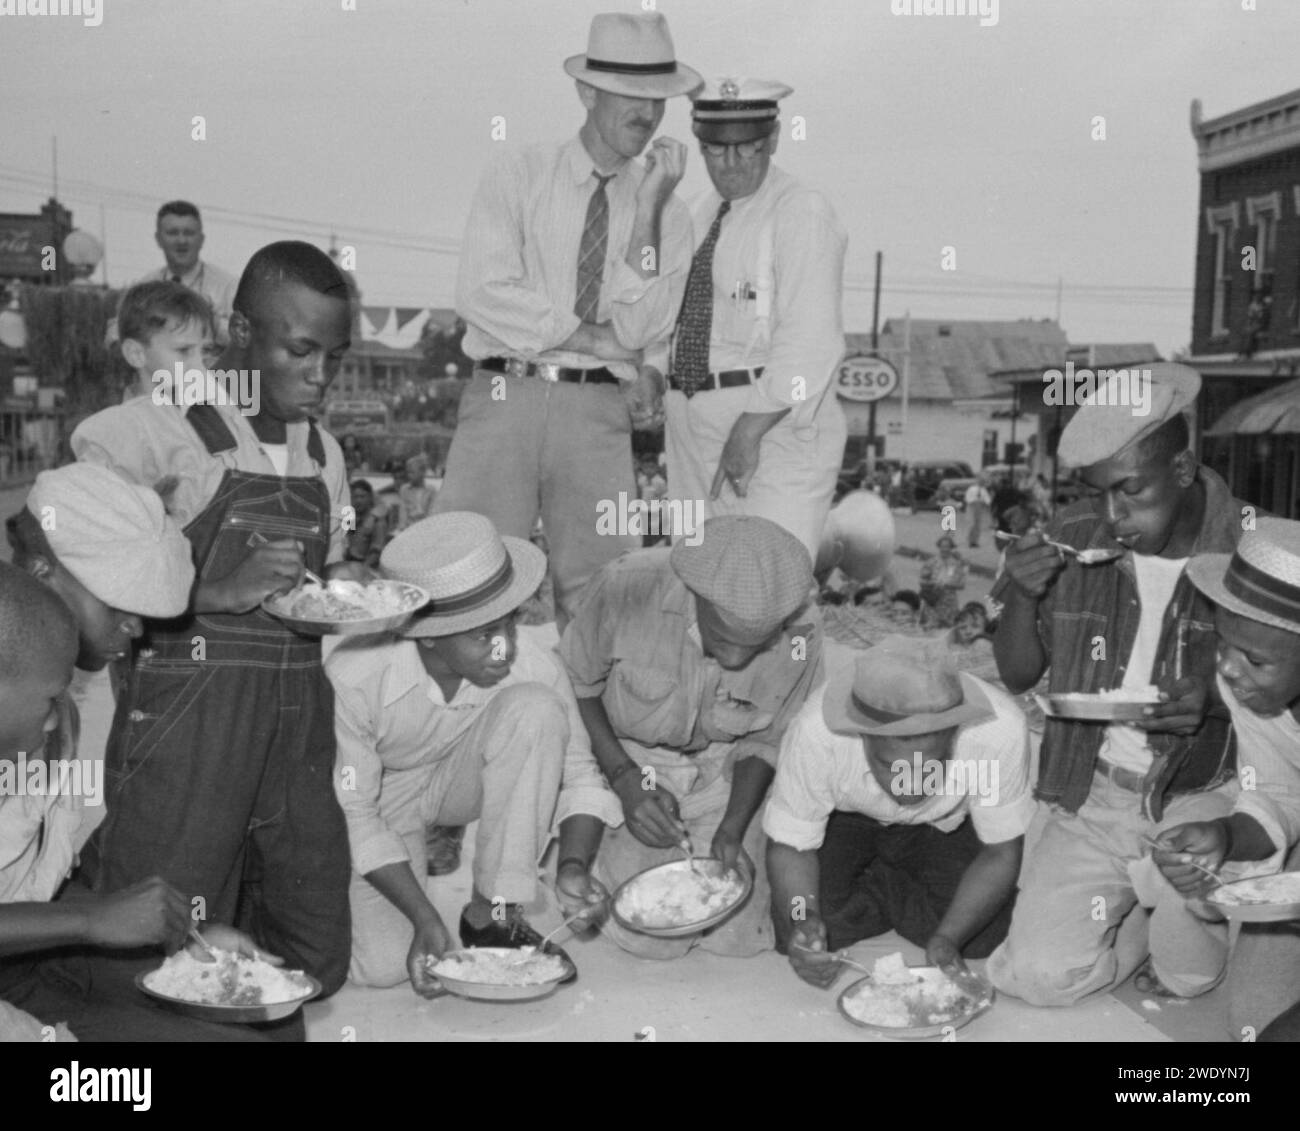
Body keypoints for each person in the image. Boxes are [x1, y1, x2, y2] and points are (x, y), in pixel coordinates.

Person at [70, 240, 361, 1004]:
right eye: (299, 350)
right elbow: (66, 550)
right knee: (155, 953)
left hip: (296, 727)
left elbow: (323, 579)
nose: (319, 375)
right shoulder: (163, 428)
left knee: (311, 947)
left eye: (334, 354)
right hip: (189, 728)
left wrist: (348, 586)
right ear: (238, 333)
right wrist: (212, 590)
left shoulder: (325, 453)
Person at [986, 362, 1246, 1006]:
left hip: (1202, 795)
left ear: (1182, 470)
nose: (1112, 515)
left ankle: (1176, 917)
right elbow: (1018, 673)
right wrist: (1022, 593)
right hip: (1092, 796)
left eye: (1129, 491)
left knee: (1189, 980)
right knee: (1039, 980)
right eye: (1098, 492)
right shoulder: (1076, 537)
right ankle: (1134, 915)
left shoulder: (1256, 550)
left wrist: (1215, 704)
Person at [434, 11, 698, 628]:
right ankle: (456, 719)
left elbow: (641, 329)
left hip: (595, 408)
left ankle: (593, 724)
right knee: (467, 577)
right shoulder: (518, 173)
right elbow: (483, 293)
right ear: (586, 91)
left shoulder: (671, 211)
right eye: (632, 95)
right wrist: (595, 339)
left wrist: (651, 206)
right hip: (505, 392)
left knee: (603, 590)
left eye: (660, 99)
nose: (649, 113)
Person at [327, 513, 621, 994]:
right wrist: (424, 917)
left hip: (462, 777)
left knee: (536, 709)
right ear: (425, 636)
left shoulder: (532, 664)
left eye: (507, 624)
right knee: (381, 970)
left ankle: (492, 914)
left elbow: (581, 776)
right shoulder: (355, 675)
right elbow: (357, 812)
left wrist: (572, 866)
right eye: (483, 636)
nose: (503, 650)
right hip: (384, 794)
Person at [0, 562, 273, 1043]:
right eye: (48, 699)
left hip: (27, 965)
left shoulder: (40, 742)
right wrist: (89, 920)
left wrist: (183, 934)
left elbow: (28, 886)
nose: (54, 722)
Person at [559, 515, 823, 959]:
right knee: (650, 936)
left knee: (736, 937)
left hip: (727, 768)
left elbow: (771, 739)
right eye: (723, 638)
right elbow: (576, 684)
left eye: (755, 645)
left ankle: (712, 837)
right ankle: (596, 838)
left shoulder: (802, 631)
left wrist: (734, 826)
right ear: (695, 596)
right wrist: (624, 781)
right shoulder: (627, 586)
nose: (737, 658)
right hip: (635, 760)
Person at [655, 77, 848, 563]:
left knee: (765, 584)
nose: (731, 164)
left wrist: (749, 430)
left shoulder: (801, 211)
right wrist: (652, 369)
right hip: (690, 418)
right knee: (698, 578)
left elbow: (811, 338)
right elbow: (666, 316)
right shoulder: (696, 214)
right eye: (715, 152)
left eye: (747, 149)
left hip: (772, 424)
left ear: (774, 139)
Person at [766, 639, 1031, 987]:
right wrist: (803, 918)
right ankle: (892, 886)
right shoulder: (817, 732)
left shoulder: (998, 731)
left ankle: (880, 886)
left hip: (940, 826)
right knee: (799, 930)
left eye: (930, 765)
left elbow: (1000, 851)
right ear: (860, 735)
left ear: (954, 733)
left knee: (983, 937)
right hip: (846, 822)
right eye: (890, 765)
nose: (911, 786)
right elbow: (791, 847)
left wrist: (948, 937)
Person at [1152, 518, 1300, 1039]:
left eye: (1255, 659)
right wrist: (1228, 836)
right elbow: (1281, 793)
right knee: (1250, 1023)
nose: (1230, 673)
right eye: (1224, 645)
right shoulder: (1250, 690)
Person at [6, 462, 196, 846]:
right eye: (117, 606)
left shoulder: (57, 706)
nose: (136, 629)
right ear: (41, 571)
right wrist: (87, 912)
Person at [106, 201, 238, 350]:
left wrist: (214, 324)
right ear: (158, 239)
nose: (181, 241)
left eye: (189, 233)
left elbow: (250, 341)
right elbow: (113, 337)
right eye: (173, 233)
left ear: (201, 239)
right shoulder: (143, 288)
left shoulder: (227, 286)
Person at [114, 280, 217, 403]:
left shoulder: (211, 414)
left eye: (206, 350)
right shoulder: (119, 421)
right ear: (135, 354)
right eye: (184, 350)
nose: (201, 366)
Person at [918, 535, 967, 628]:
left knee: (946, 628)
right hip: (933, 601)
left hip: (949, 603)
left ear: (951, 548)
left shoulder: (956, 564)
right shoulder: (931, 562)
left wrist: (948, 585)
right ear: (939, 547)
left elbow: (962, 585)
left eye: (947, 547)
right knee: (929, 628)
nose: (944, 549)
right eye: (942, 546)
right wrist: (932, 583)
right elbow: (921, 581)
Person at [344, 478, 388, 570]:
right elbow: (347, 540)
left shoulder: (377, 522)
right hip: (348, 564)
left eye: (362, 496)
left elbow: (376, 553)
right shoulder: (350, 516)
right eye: (355, 497)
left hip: (366, 567)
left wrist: (362, 569)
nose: (358, 500)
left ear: (370, 498)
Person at [397, 455, 436, 531]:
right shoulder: (404, 489)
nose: (409, 476)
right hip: (408, 527)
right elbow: (403, 511)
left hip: (425, 527)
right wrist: (402, 528)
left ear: (422, 472)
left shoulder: (431, 490)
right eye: (407, 472)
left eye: (412, 472)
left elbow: (432, 512)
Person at [964, 475, 992, 549]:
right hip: (972, 508)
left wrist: (986, 502)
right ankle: (970, 540)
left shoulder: (983, 490)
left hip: (980, 509)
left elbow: (987, 499)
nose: (982, 482)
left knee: (978, 525)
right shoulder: (971, 489)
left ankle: (975, 541)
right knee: (971, 524)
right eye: (981, 481)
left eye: (983, 481)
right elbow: (967, 498)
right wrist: (974, 500)